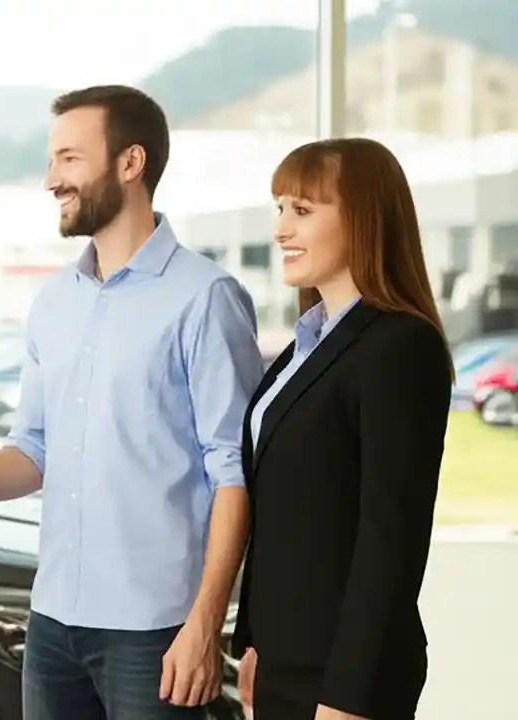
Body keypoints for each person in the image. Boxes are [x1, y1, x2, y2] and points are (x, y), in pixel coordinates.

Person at [0, 85, 265, 720]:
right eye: (52, 161)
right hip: (53, 622)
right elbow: (34, 446)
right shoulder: (55, 301)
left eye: (69, 159)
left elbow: (233, 471)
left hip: (156, 631)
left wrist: (206, 623)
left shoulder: (206, 297)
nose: (52, 180)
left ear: (130, 164)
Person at [231, 138, 452, 720]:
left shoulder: (401, 346)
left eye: (302, 211)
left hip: (344, 676)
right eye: (279, 208)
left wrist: (349, 696)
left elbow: (392, 540)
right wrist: (253, 640)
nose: (280, 230)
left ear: (365, 220)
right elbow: (279, 510)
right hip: (283, 659)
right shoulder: (305, 346)